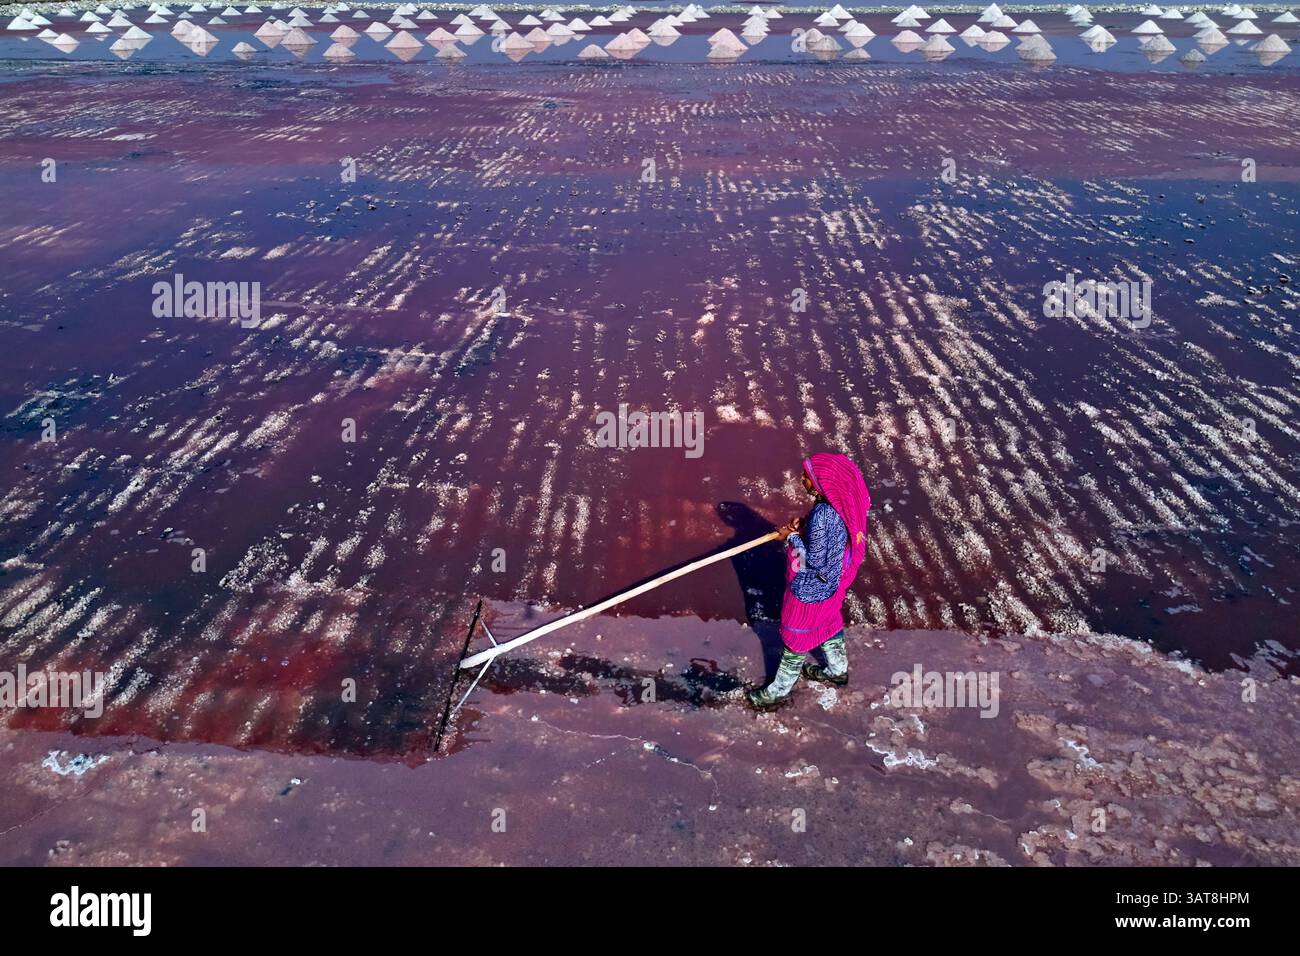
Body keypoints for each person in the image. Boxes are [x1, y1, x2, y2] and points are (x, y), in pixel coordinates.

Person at [746, 453, 871, 710]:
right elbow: (828, 544)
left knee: (795, 640)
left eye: (807, 476)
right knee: (829, 623)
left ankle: (776, 693)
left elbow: (813, 560)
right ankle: (837, 672)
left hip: (811, 591)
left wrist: (790, 536)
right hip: (834, 585)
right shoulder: (841, 508)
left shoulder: (821, 514)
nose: (803, 479)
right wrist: (804, 529)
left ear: (819, 484)